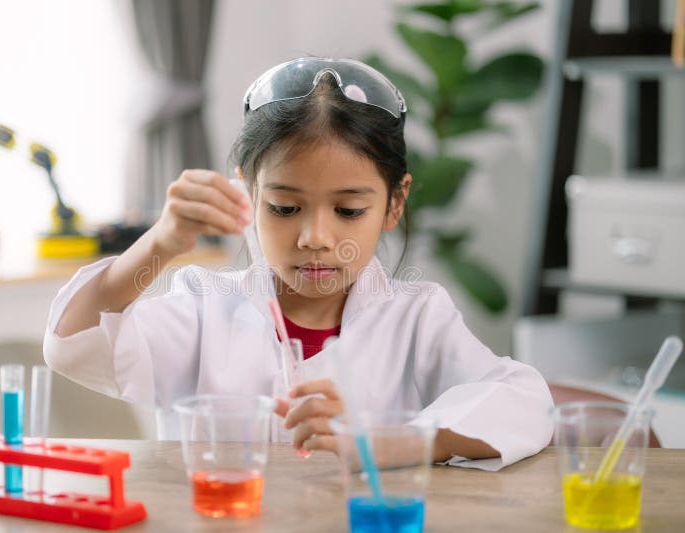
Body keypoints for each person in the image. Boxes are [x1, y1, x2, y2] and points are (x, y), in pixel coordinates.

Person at [43, 57, 553, 470]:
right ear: (248, 193)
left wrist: (398, 441)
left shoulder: (417, 318)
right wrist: (160, 244)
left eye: (349, 210)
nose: (315, 238)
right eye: (284, 208)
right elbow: (73, 343)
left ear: (395, 204)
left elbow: (526, 401)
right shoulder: (204, 309)